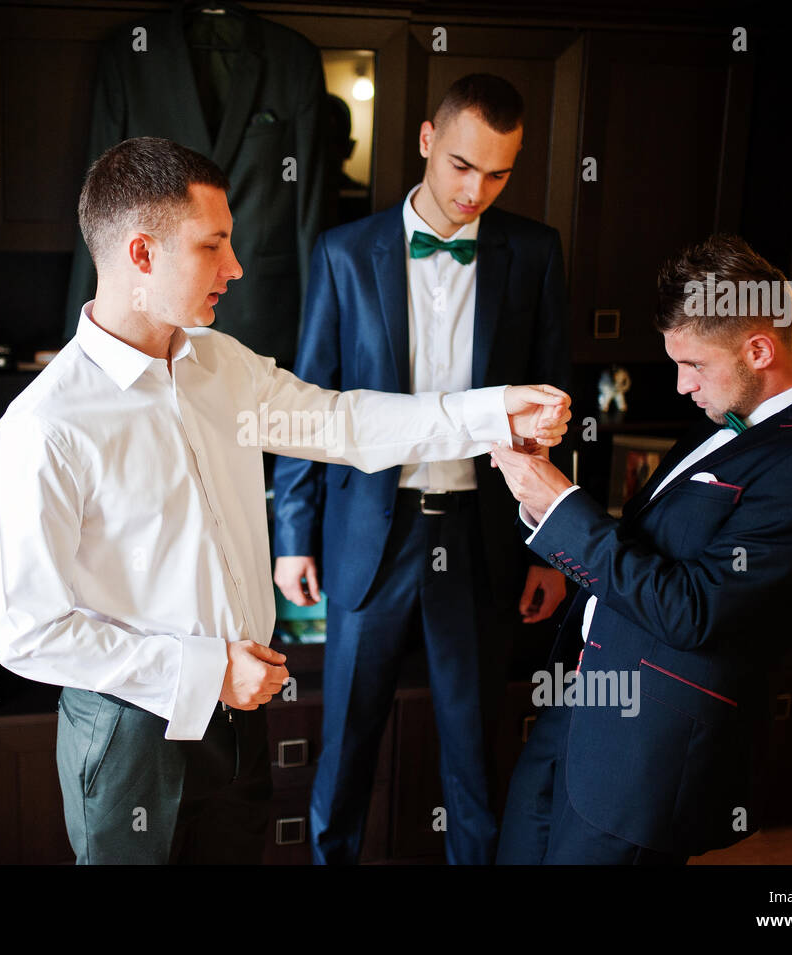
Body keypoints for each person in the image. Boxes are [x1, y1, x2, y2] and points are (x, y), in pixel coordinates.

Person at [0, 136, 571, 864]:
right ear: (141, 254)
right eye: (213, 245)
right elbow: (26, 632)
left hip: (239, 715)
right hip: (132, 735)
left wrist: (496, 410)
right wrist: (204, 672)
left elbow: (345, 422)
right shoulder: (42, 430)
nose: (234, 267)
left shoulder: (220, 366)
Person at [490, 234, 792, 864]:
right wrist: (540, 501)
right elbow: (646, 545)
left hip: (647, 752)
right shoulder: (729, 414)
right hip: (587, 700)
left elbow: (695, 611)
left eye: (692, 365)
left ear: (758, 349)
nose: (679, 385)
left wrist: (562, 505)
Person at [272, 73, 571, 864]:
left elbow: (553, 411)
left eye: (500, 173)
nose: (478, 190)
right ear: (428, 142)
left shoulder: (536, 253)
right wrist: (291, 533)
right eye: (464, 165)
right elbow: (310, 399)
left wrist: (553, 546)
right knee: (345, 743)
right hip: (371, 528)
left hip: (483, 538)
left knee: (475, 749)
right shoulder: (342, 252)